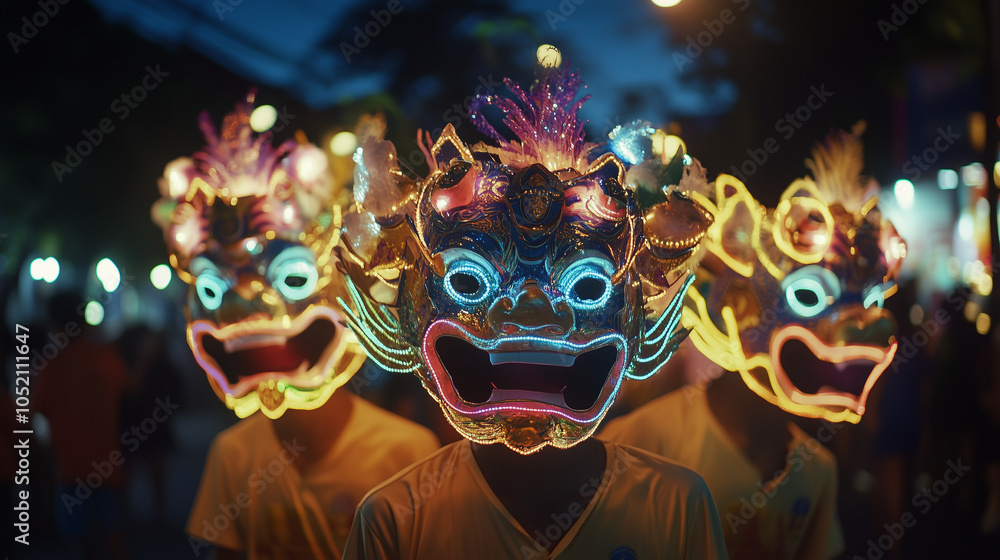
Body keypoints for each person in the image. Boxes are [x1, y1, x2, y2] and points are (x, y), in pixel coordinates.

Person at [338, 63, 727, 559]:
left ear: (635, 311)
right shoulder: (396, 517)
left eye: (585, 286)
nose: (529, 314)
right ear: (413, 307)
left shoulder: (677, 506)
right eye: (469, 281)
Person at [152, 95, 440, 559]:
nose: (245, 309)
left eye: (292, 278)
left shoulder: (408, 451)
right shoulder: (233, 454)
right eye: (213, 288)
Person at [603, 126, 906, 559]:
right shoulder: (639, 446)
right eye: (808, 297)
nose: (860, 324)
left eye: (871, 301)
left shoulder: (817, 470)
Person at [35, 291, 130, 560]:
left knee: (80, 544)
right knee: (113, 539)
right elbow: (128, 390)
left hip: (71, 469)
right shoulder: (106, 358)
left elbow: (34, 411)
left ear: (54, 324)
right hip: (108, 465)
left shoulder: (52, 367)